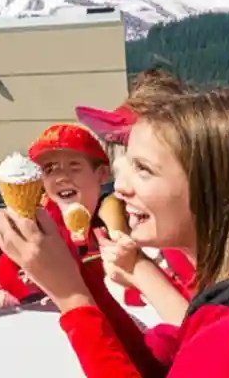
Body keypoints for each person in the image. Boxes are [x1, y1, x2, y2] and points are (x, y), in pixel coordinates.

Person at [0, 88, 229, 378]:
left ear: (213, 190)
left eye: (143, 169)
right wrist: (77, 278)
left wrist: (73, 300)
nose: (122, 187)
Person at [77, 69, 197, 322]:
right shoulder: (170, 241)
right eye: (118, 171)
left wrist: (140, 272)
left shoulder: (205, 256)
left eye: (142, 168)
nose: (119, 188)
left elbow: (204, 337)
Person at [0, 123, 114, 309]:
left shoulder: (118, 220)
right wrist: (13, 292)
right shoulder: (36, 226)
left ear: (101, 174)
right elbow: (9, 271)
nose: (61, 177)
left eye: (74, 167)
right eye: (50, 169)